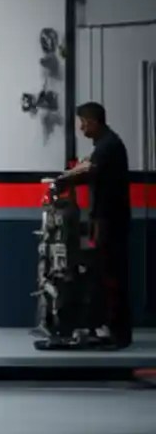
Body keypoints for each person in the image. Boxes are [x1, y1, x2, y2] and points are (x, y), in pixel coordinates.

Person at [53, 102, 131, 349]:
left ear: (94, 122)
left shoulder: (109, 146)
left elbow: (89, 172)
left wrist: (62, 182)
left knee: (110, 275)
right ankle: (109, 328)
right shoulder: (106, 145)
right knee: (105, 274)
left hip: (109, 219)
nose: (81, 127)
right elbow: (88, 167)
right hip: (106, 217)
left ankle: (116, 333)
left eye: (83, 122)